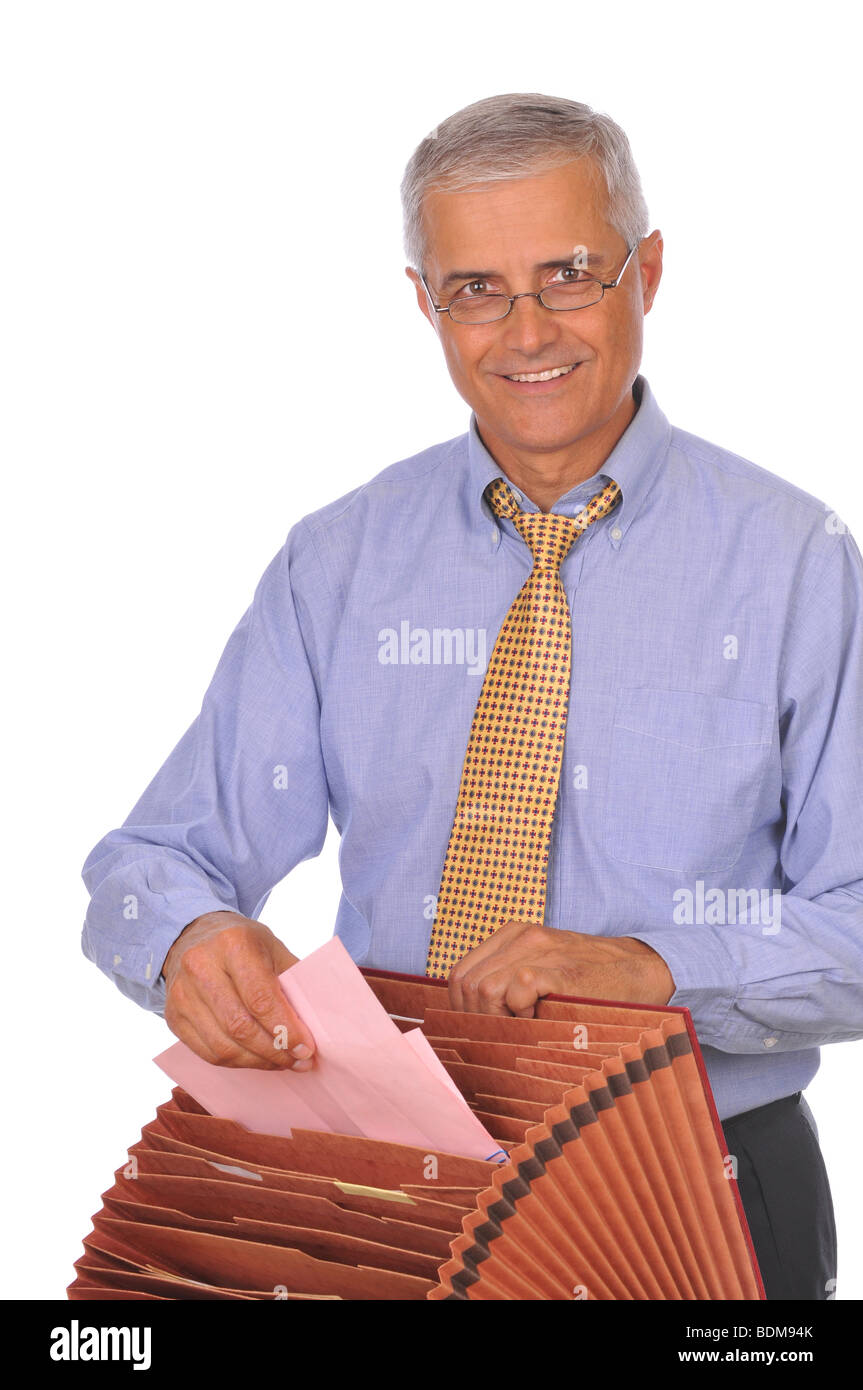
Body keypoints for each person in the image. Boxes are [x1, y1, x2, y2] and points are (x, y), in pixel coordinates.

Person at [81, 92, 859, 1299]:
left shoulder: (793, 563)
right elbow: (153, 858)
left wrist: (655, 965)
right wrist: (189, 933)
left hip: (695, 1191)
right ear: (424, 304)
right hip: (381, 1189)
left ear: (646, 270)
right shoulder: (335, 562)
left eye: (567, 273)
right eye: (476, 288)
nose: (525, 328)